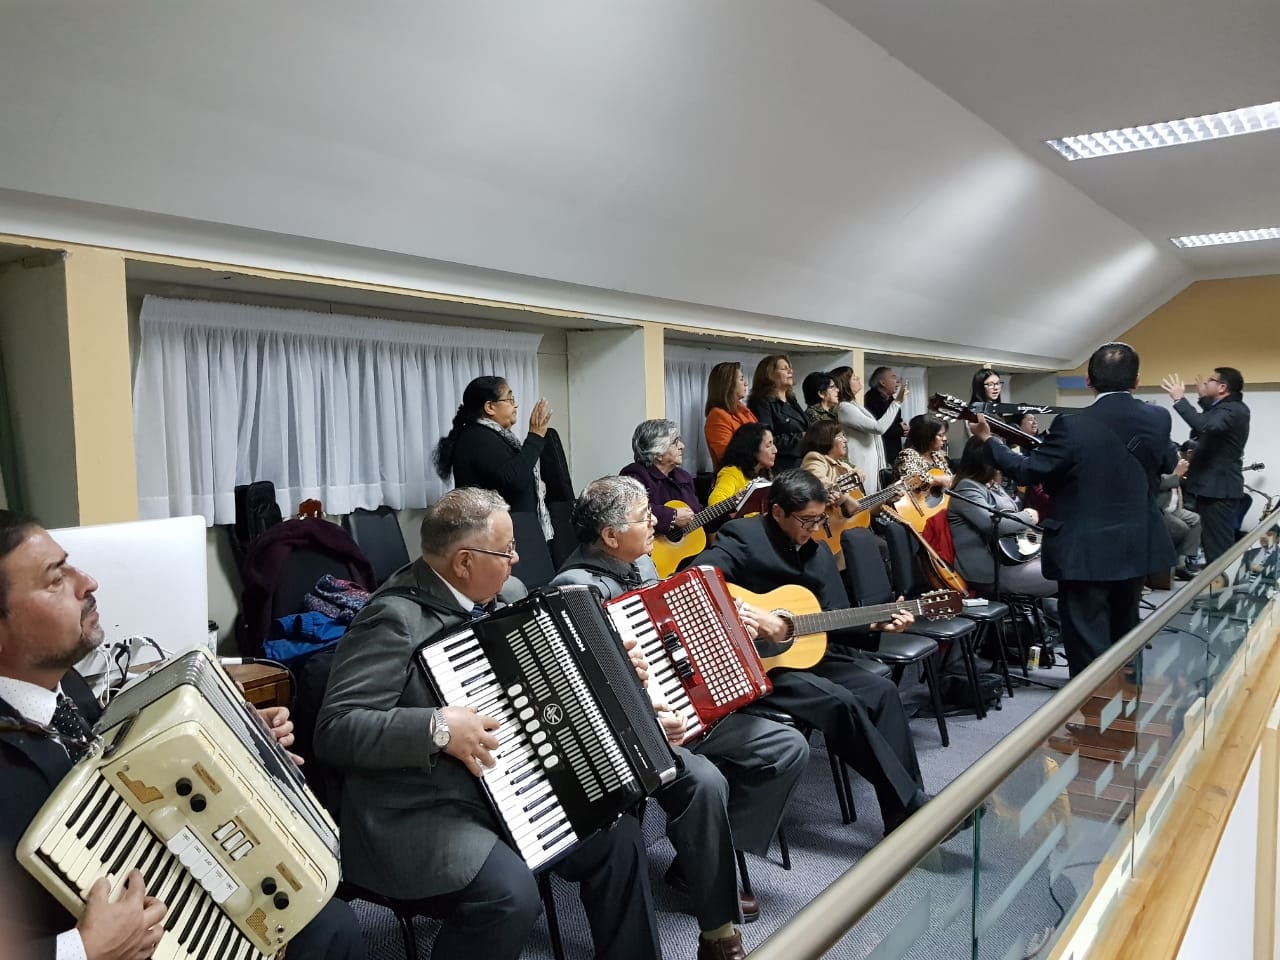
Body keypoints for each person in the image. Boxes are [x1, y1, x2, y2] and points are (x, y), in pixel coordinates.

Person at [0, 510, 364, 960]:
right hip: (100, 933)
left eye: (71, 564)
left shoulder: (66, 685)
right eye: (55, 580)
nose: (87, 582)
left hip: (165, 881)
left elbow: (117, 779)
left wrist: (238, 751)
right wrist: (82, 948)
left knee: (329, 925)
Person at [315, 489, 660, 960]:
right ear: (463, 563)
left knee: (616, 834)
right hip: (421, 807)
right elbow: (336, 728)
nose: (517, 560)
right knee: (509, 892)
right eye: (506, 551)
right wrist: (435, 727)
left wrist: (616, 670)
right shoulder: (393, 619)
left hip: (512, 779)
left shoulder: (509, 596)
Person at [549, 476, 810, 960]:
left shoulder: (644, 562)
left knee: (787, 746)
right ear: (609, 537)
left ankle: (701, 864)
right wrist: (646, 713)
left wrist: (729, 635)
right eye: (642, 515)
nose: (655, 520)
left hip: (686, 715)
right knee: (706, 783)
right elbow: (582, 696)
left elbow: (669, 631)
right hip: (632, 738)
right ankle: (717, 931)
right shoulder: (574, 589)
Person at [691, 470, 933, 834]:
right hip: (756, 665)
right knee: (841, 702)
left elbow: (833, 616)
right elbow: (694, 579)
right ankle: (915, 808)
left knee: (882, 691)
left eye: (820, 519)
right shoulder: (744, 535)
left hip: (806, 656)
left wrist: (877, 624)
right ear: (777, 513)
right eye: (806, 520)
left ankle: (901, 816)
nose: (815, 528)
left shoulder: (818, 550)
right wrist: (755, 615)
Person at [971, 343, 1176, 676]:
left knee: (1086, 638)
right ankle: (1127, 708)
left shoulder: (1073, 425)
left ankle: (1092, 716)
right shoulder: (1158, 417)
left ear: (1087, 380)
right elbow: (1167, 462)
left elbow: (1028, 471)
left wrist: (988, 442)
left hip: (1085, 548)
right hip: (1138, 543)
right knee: (1127, 631)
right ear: (1137, 380)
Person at [434, 375, 555, 538]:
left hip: (512, 530)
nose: (515, 405)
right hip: (495, 536)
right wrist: (534, 437)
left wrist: (534, 486)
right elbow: (512, 480)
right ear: (490, 407)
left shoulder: (490, 435)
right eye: (510, 399)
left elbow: (507, 475)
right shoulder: (478, 438)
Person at [1160, 367, 1251, 565]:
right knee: (1212, 544)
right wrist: (1203, 399)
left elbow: (1205, 425)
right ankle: (1215, 588)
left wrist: (1179, 400)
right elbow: (1210, 421)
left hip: (1218, 491)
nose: (1205, 382)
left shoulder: (1232, 410)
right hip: (1212, 489)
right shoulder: (1227, 408)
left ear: (1222, 387)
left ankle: (1220, 590)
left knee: (1218, 548)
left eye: (1211, 379)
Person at [946, 438, 1055, 598]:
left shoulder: (992, 485)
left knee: (1069, 563)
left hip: (1014, 558)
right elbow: (993, 524)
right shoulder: (966, 488)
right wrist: (1028, 516)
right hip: (992, 570)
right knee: (1066, 575)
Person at [620, 419, 703, 539]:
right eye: (675, 442)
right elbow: (629, 510)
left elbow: (699, 517)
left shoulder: (684, 477)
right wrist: (672, 517)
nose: (682, 446)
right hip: (648, 551)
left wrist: (729, 509)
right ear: (658, 453)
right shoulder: (635, 475)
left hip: (687, 552)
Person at [830, 366, 905, 494]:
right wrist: (897, 402)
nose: (858, 378)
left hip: (870, 461)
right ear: (845, 384)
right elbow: (879, 428)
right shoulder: (844, 408)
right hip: (861, 461)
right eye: (854, 378)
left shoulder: (854, 405)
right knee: (866, 500)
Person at [746, 356, 808, 472]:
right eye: (784, 369)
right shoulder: (761, 402)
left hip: (802, 463)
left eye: (790, 368)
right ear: (770, 374)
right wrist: (802, 437)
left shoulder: (791, 400)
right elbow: (768, 440)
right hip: (782, 467)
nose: (791, 371)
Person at [1158, 446, 1202, 580]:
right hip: (1158, 509)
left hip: (1174, 508)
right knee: (1180, 528)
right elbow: (1158, 483)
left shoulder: (1173, 456)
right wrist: (1176, 474)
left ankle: (1182, 564)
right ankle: (1167, 564)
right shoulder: (1156, 460)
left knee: (1194, 519)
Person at [703, 362, 758, 471]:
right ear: (728, 384)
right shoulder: (717, 416)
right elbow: (728, 457)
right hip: (735, 480)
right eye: (741, 379)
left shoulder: (744, 411)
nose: (746, 383)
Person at [708, 423, 776, 509]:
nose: (775, 450)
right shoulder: (731, 472)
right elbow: (715, 505)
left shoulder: (764, 472)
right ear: (752, 448)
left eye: (773, 444)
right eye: (768, 446)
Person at [894, 415, 953, 497]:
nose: (944, 438)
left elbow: (948, 481)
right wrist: (938, 480)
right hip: (912, 507)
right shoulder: (907, 455)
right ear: (927, 437)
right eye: (940, 435)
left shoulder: (936, 456)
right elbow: (911, 481)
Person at [864, 367, 907, 461]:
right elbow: (880, 428)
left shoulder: (891, 399)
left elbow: (897, 421)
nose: (898, 382)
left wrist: (903, 427)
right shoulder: (871, 400)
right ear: (882, 383)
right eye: (893, 377)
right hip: (880, 452)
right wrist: (901, 430)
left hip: (894, 450)